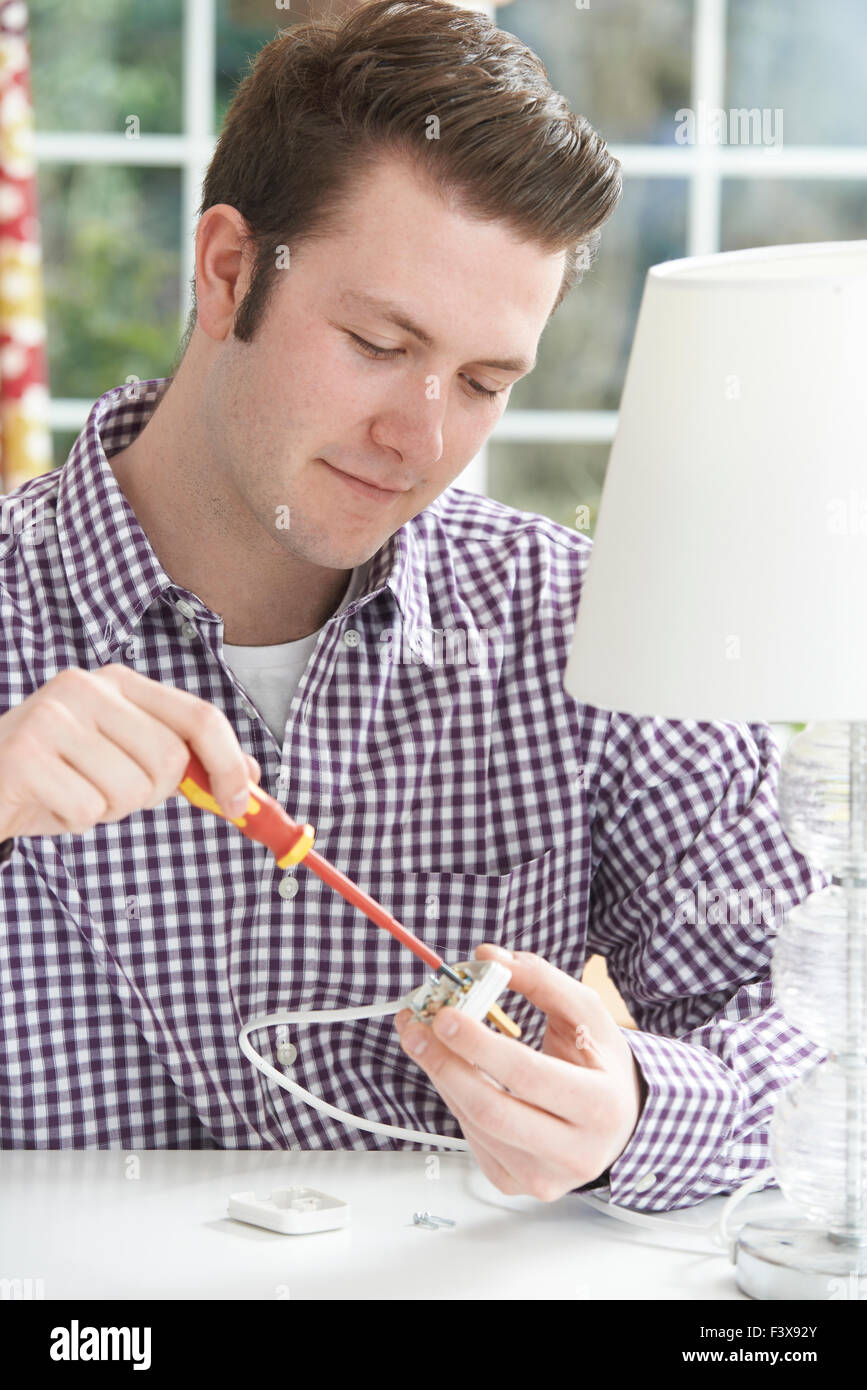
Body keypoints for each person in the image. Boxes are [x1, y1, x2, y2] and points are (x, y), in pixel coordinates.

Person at [0, 0, 826, 1212]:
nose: (422, 438)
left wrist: (632, 1114)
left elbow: (812, 1034)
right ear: (230, 271)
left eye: (486, 380)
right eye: (381, 343)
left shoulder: (575, 622)